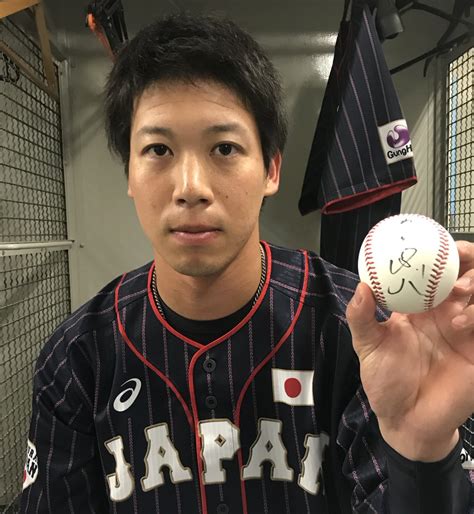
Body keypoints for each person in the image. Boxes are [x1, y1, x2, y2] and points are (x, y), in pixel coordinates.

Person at [20, 11, 474, 514]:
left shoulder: (359, 329)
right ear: (129, 173)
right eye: (158, 149)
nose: (191, 187)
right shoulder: (78, 357)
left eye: (224, 148)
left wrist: (421, 448)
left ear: (271, 169)